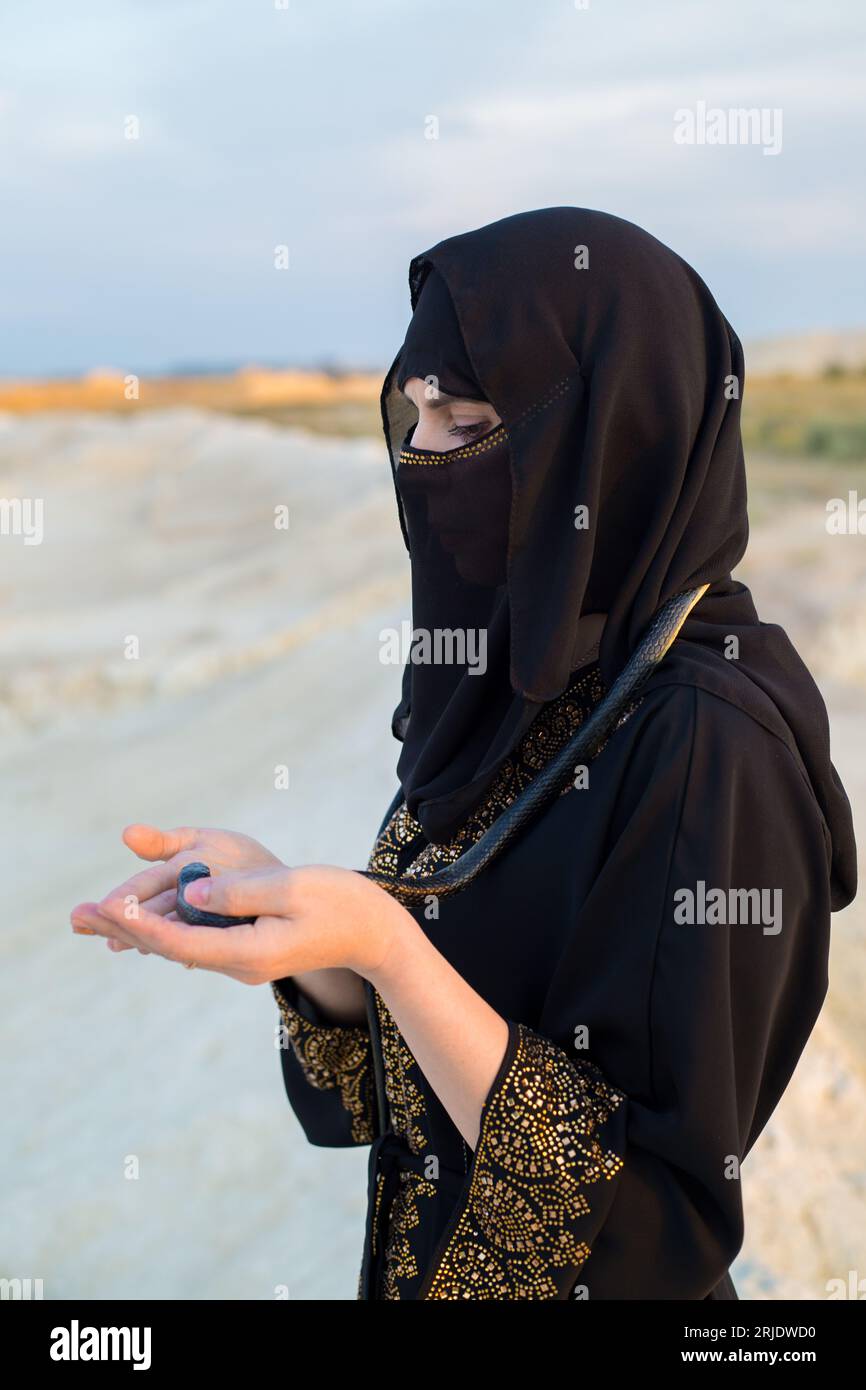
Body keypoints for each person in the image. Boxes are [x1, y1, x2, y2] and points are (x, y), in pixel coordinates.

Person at [71, 207, 857, 1301]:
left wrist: (390, 947)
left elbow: (656, 1230)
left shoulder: (709, 743)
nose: (421, 455)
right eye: (418, 412)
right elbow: (398, 1096)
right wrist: (309, 936)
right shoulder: (522, 680)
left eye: (469, 420)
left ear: (610, 436)